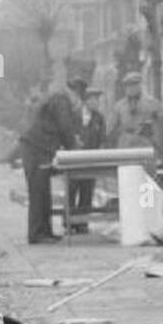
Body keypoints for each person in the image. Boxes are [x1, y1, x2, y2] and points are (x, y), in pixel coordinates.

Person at [17, 77, 85, 244]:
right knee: (38, 192)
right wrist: (73, 146)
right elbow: (64, 126)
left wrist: (71, 143)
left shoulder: (58, 98)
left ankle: (45, 232)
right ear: (76, 93)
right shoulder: (61, 100)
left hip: (41, 148)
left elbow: (64, 126)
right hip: (36, 149)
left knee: (44, 192)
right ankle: (36, 234)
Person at [69, 87, 107, 228]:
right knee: (71, 190)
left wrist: (100, 154)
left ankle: (82, 223)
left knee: (87, 191)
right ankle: (69, 223)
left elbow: (102, 139)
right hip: (74, 160)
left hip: (91, 160)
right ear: (86, 101)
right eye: (93, 99)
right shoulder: (74, 115)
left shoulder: (99, 118)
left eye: (97, 100)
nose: (96, 103)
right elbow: (67, 134)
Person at [107, 71, 163, 152]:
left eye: (134, 85)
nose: (130, 88)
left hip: (144, 142)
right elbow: (111, 127)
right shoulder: (119, 106)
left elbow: (162, 121)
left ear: (140, 85)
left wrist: (158, 143)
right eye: (128, 86)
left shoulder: (152, 103)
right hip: (125, 143)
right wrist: (108, 142)